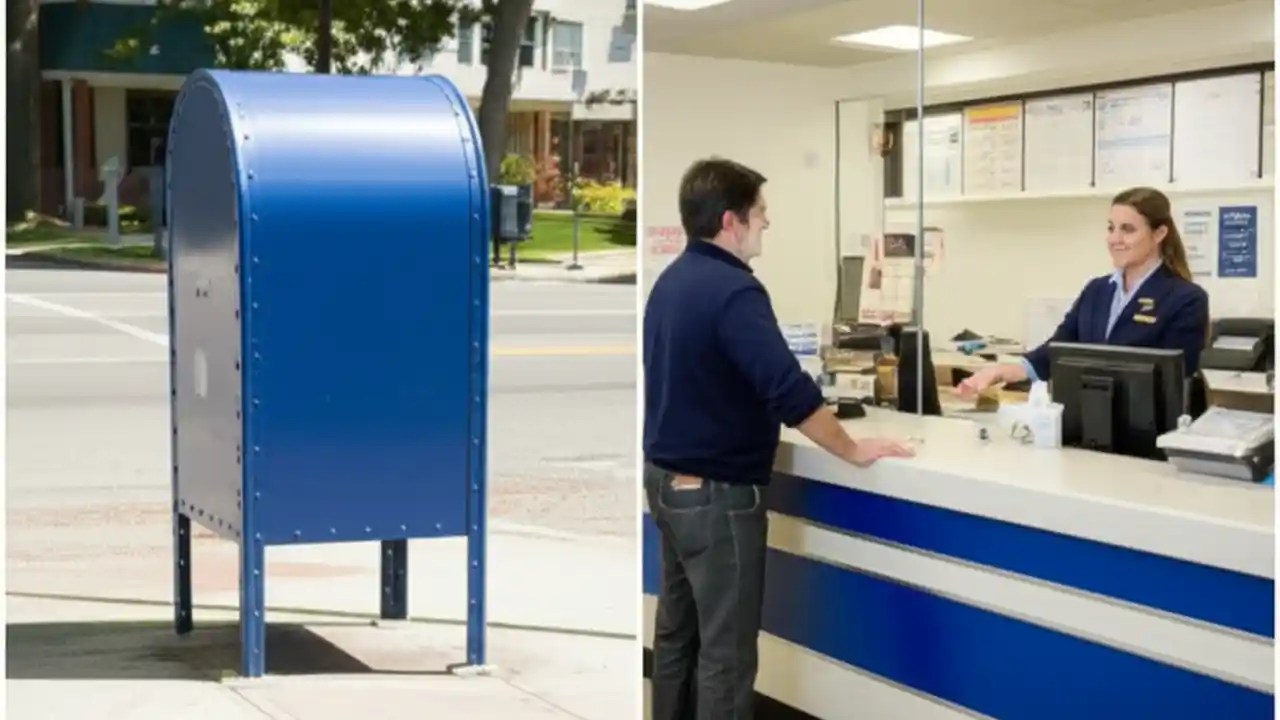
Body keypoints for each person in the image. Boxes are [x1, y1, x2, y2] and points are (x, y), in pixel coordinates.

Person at [643, 157, 914, 720]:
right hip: (718, 496)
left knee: (677, 639)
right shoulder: (734, 291)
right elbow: (786, 389)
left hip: (668, 484)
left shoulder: (673, 281)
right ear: (730, 221)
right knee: (726, 655)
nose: (768, 223)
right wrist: (852, 447)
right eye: (761, 213)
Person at [958, 186, 1210, 399]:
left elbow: (1173, 383)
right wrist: (999, 371)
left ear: (1159, 233)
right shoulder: (1097, 291)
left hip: (1146, 436)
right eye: (1111, 228)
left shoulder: (1186, 299)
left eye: (1128, 229)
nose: (1115, 239)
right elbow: (1057, 349)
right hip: (1090, 422)